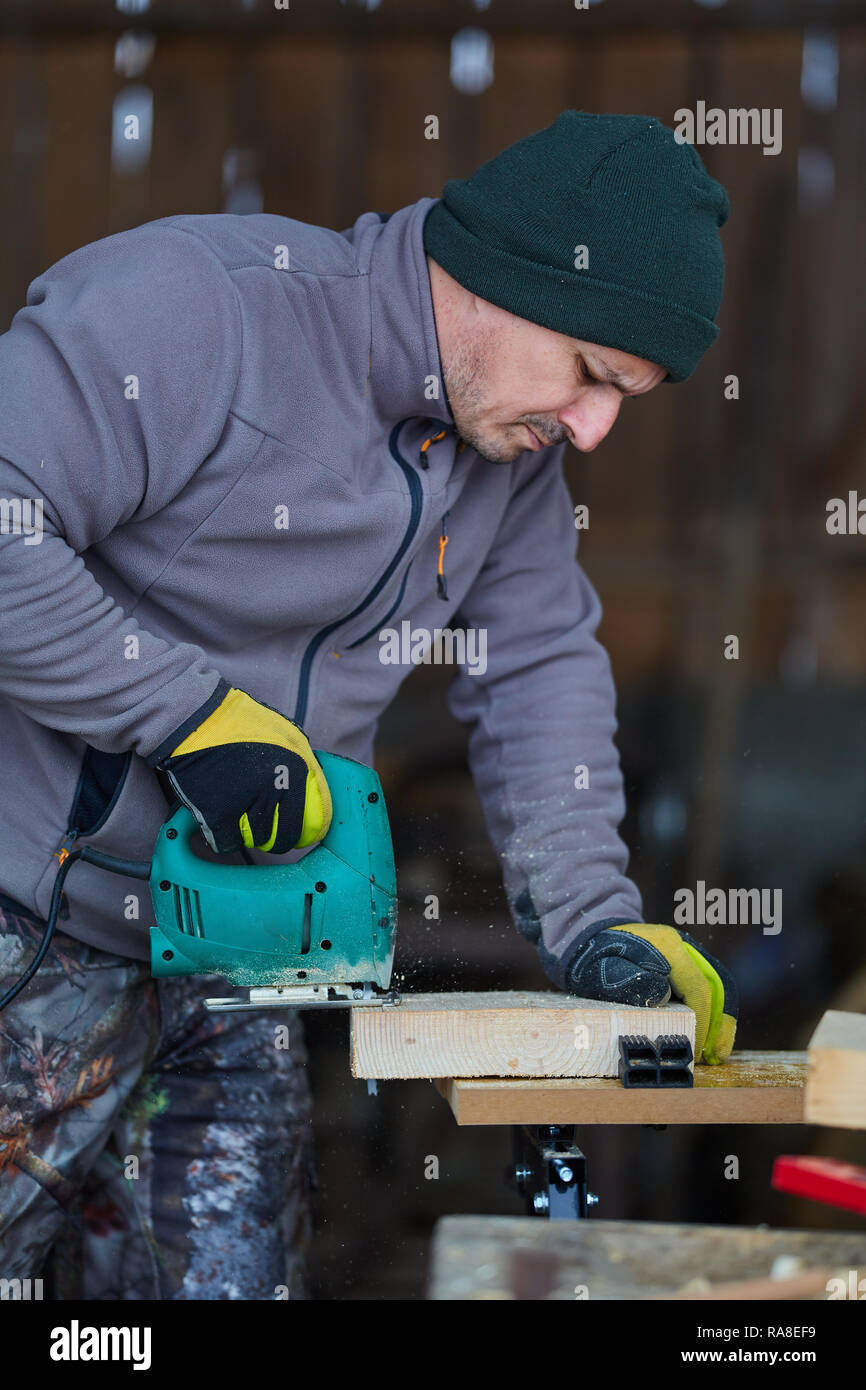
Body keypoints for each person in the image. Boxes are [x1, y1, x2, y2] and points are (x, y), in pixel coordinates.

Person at [0, 110, 736, 1299]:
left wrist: (594, 919)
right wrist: (184, 718)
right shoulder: (198, 310)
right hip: (21, 936)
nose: (595, 429)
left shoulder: (510, 458)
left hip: (236, 960)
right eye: (594, 376)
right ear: (496, 284)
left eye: (626, 399)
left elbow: (538, 663)